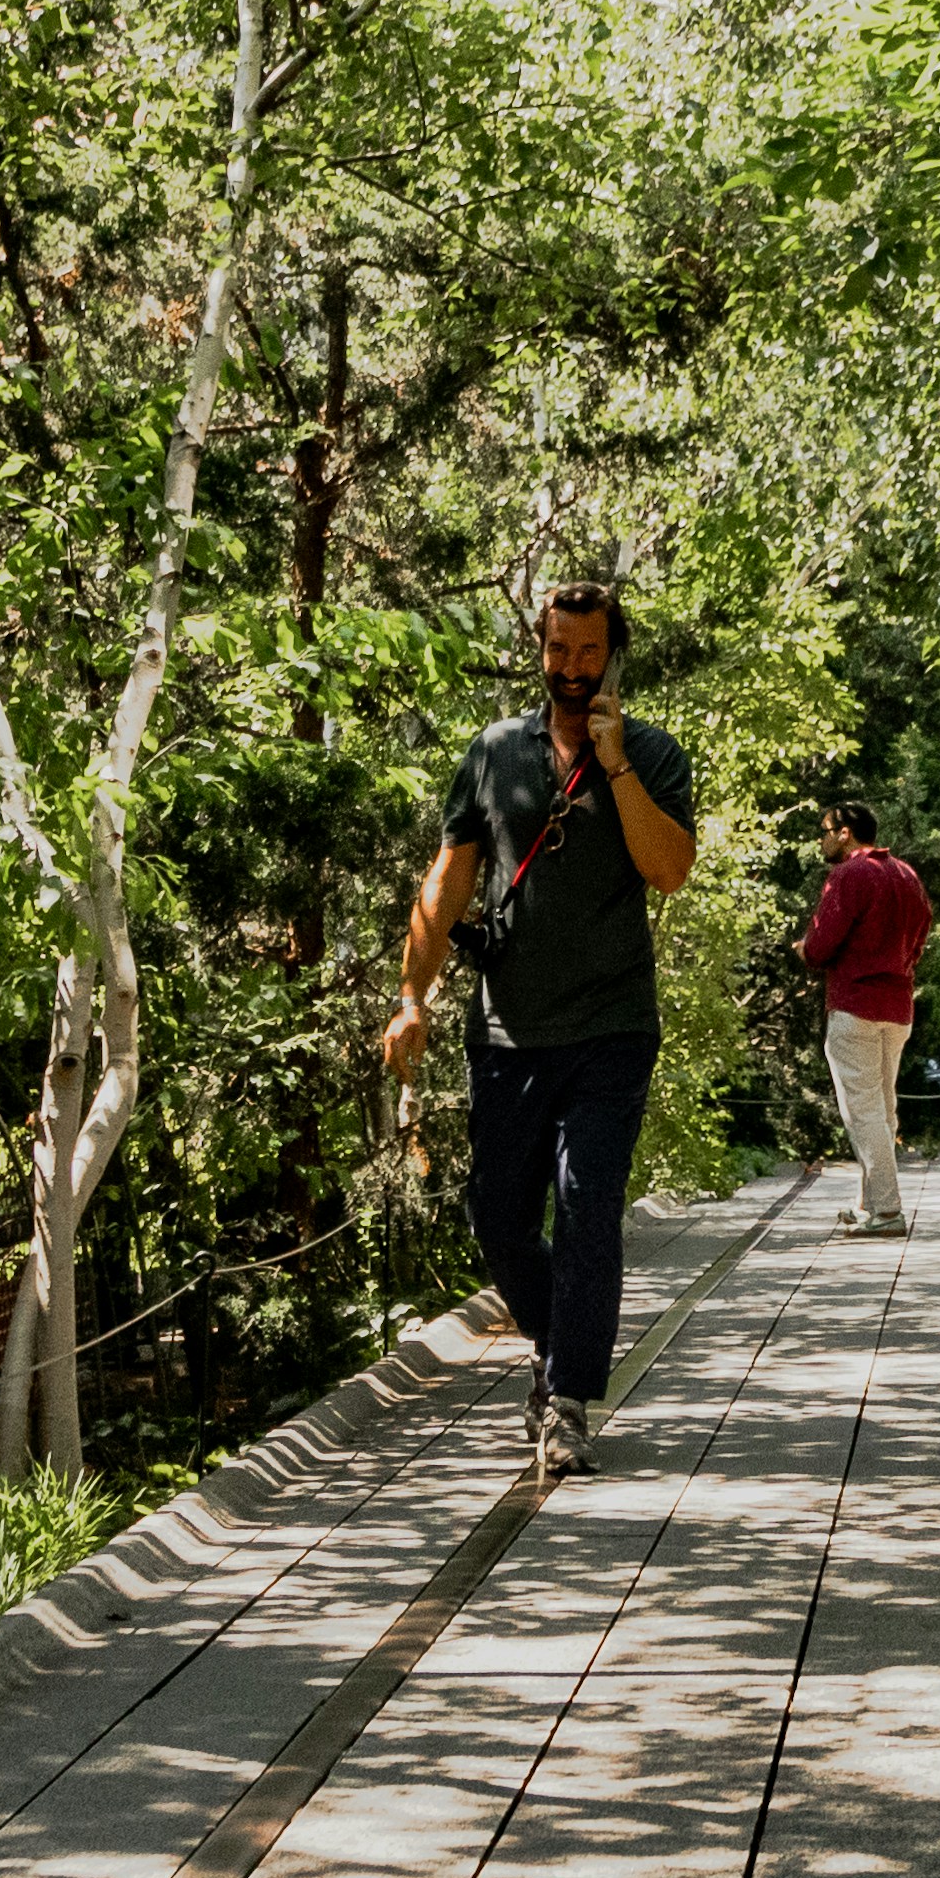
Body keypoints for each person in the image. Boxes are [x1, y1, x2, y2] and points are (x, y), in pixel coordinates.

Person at [376, 587, 698, 1478]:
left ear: (612, 657)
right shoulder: (493, 754)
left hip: (612, 1026)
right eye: (557, 649)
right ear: (541, 648)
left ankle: (564, 1399)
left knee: (589, 1205)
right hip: (508, 1029)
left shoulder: (654, 754)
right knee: (497, 1216)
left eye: (587, 652)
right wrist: (414, 996)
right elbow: (446, 883)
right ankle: (564, 1338)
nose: (569, 668)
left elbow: (668, 870)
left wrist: (615, 764)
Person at [793, 802, 938, 1234]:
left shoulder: (849, 874)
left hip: (855, 1003)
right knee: (883, 1107)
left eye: (825, 831)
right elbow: (922, 931)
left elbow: (821, 946)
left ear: (845, 833)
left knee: (862, 1112)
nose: (821, 839)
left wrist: (804, 949)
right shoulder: (906, 875)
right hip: (897, 1006)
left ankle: (888, 1211)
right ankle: (870, 1202)